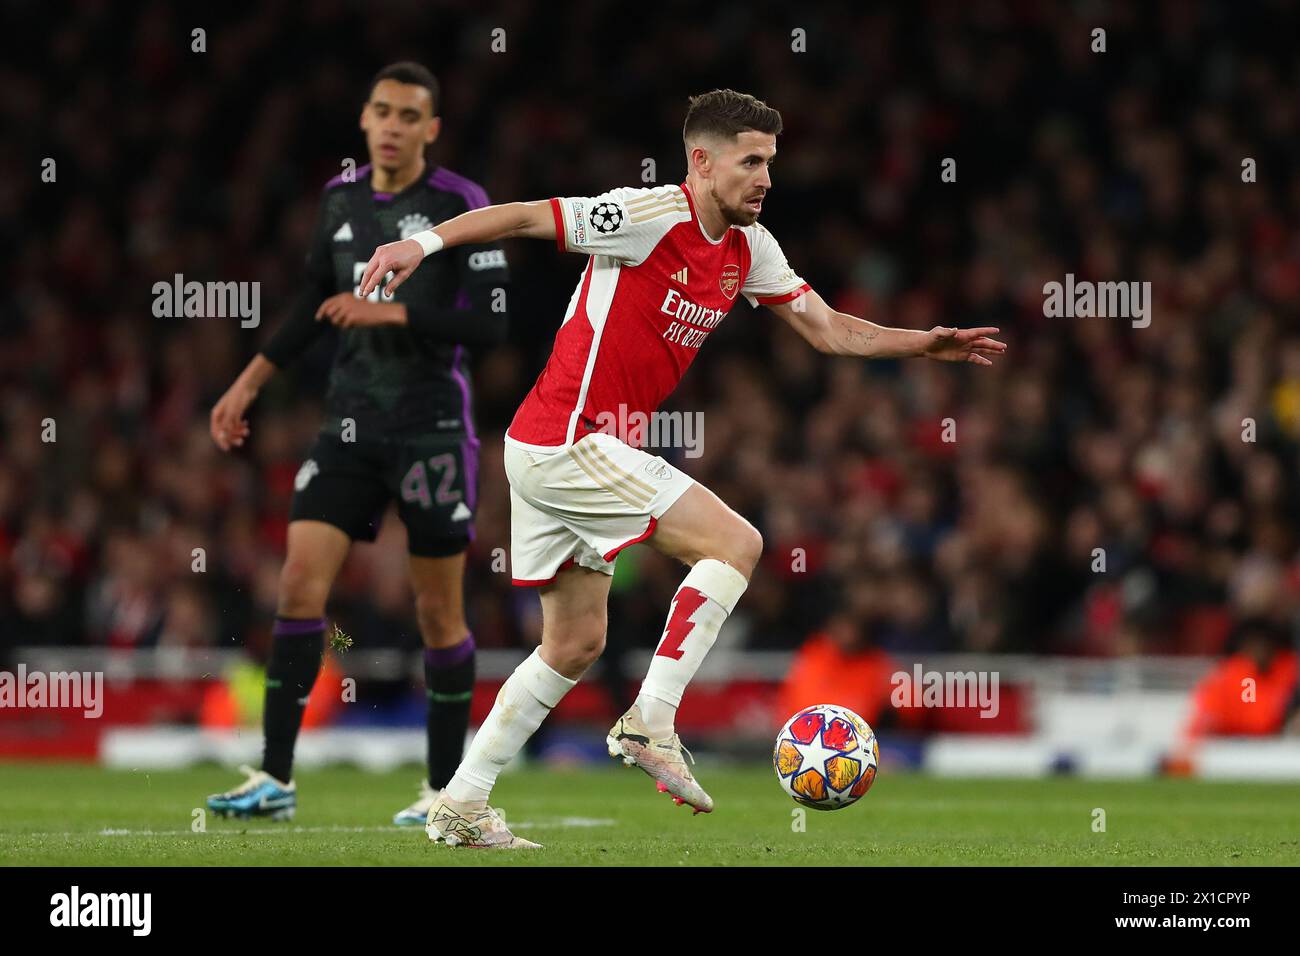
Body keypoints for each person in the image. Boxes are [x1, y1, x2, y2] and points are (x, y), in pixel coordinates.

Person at [359, 88, 1005, 848]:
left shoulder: (749, 248)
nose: (766, 177)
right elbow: (527, 215)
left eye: (771, 162)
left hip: (555, 448)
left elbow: (829, 330)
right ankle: (651, 721)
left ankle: (462, 802)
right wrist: (421, 245)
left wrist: (922, 342)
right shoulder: (645, 216)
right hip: (571, 438)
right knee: (738, 544)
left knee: (573, 645)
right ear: (701, 161)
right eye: (751, 161)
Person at [205, 62, 509, 825]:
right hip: (349, 425)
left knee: (438, 614)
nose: (393, 125)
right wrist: (247, 383)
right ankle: (274, 778)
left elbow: (494, 324)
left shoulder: (460, 205)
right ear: (365, 120)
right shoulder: (338, 201)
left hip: (433, 427)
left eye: (410, 115)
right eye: (382, 111)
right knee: (297, 586)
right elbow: (314, 300)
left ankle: (447, 794)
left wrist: (394, 316)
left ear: (431, 129)